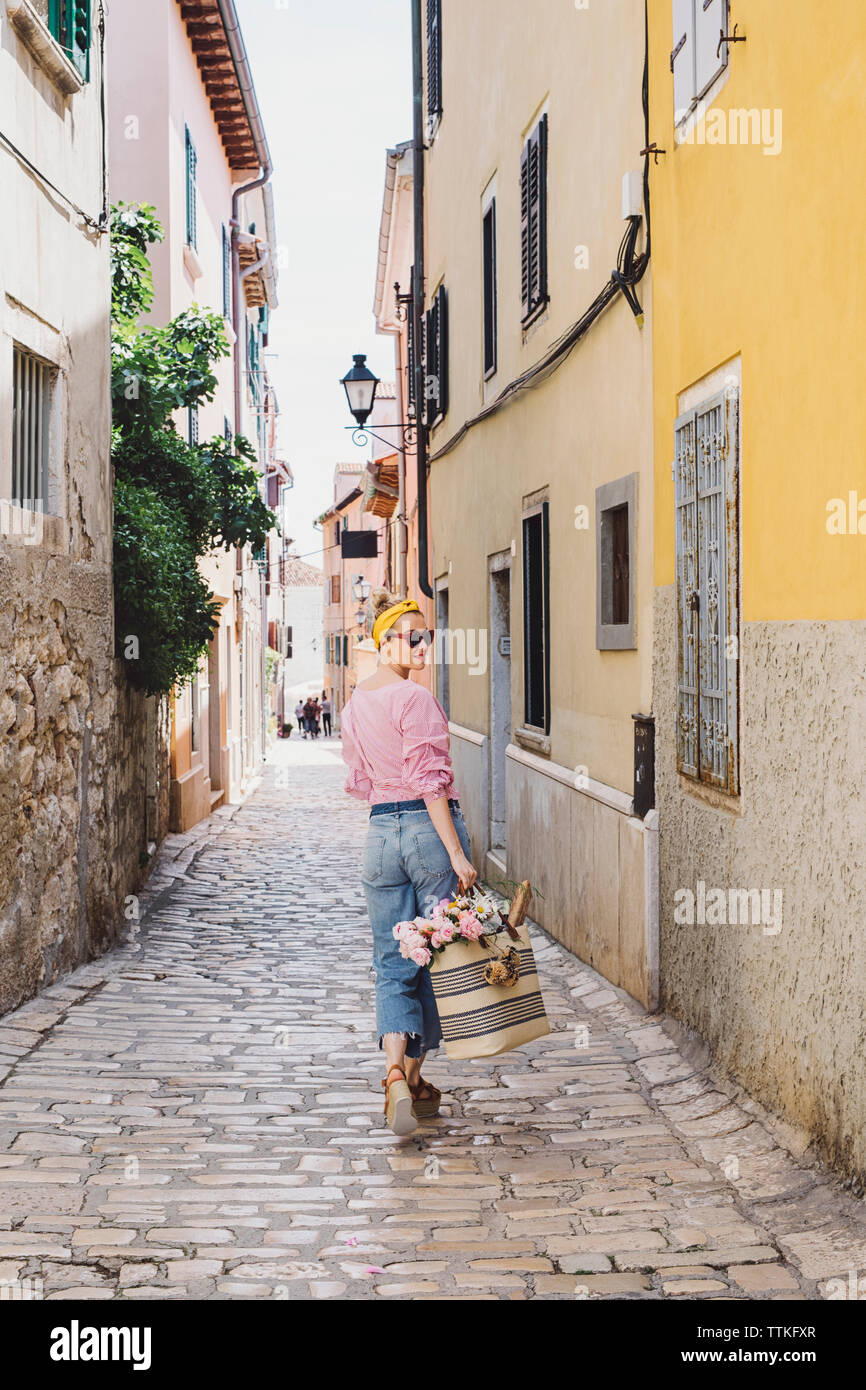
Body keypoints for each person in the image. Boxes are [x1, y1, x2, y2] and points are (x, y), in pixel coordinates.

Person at [340, 587, 477, 1136]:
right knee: (436, 954)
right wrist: (456, 853)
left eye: (428, 637)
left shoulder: (353, 705)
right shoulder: (413, 699)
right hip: (425, 832)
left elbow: (362, 780)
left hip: (378, 836)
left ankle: (397, 1075)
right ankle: (415, 1076)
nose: (424, 646)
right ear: (386, 641)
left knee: (392, 961)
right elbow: (430, 784)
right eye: (413, 637)